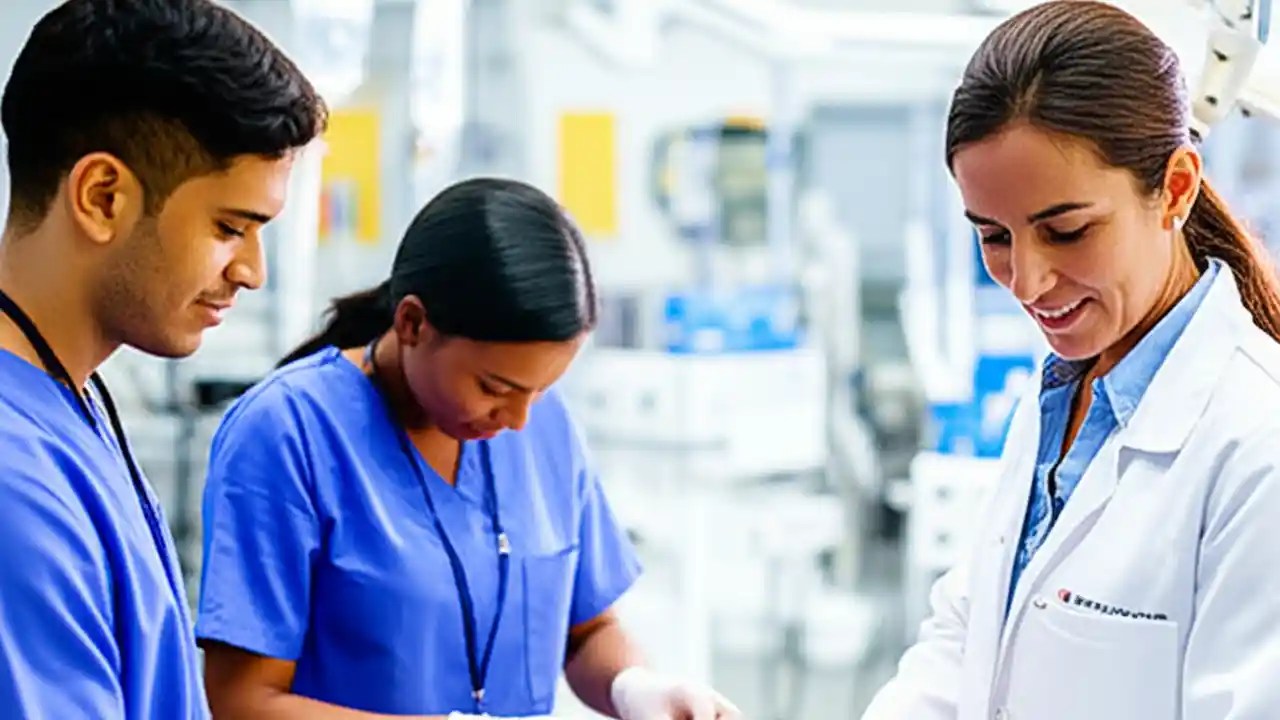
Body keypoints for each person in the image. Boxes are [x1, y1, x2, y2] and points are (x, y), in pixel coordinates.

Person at [863, 2, 1280, 719]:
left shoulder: (1256, 444)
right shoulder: (1060, 397)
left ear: (1175, 188)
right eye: (993, 236)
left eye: (1066, 230)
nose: (1026, 282)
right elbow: (973, 631)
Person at [194, 177, 742, 720]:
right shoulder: (289, 432)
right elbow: (241, 702)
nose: (519, 419)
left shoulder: (544, 425)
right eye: (495, 388)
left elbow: (587, 629)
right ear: (412, 323)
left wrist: (634, 686)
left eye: (539, 391)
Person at [0, 1, 326, 717]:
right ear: (102, 196)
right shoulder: (14, 487)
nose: (252, 271)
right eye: (230, 227)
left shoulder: (69, 404)